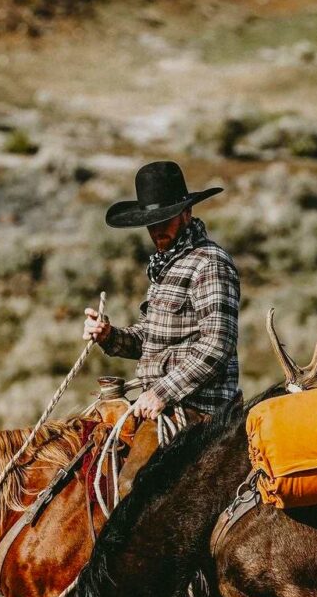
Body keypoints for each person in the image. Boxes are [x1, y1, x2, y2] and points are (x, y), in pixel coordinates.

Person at [84, 161, 240, 421]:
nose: (157, 230)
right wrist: (109, 336)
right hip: (165, 404)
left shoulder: (209, 264)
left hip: (200, 410)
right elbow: (151, 339)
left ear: (187, 214)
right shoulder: (166, 265)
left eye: (164, 220)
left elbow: (218, 344)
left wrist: (161, 392)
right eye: (151, 223)